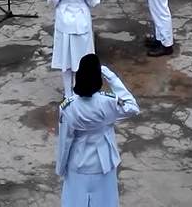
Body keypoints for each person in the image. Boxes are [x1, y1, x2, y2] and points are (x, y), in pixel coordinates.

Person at [55, 54, 140, 207]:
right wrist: (111, 76)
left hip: (78, 162)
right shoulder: (108, 102)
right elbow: (132, 107)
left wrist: (61, 168)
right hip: (104, 162)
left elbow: (65, 141)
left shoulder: (68, 107)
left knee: (75, 202)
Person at [48, 0, 107, 97]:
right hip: (82, 23)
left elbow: (52, 2)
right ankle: (79, 91)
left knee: (66, 62)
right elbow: (92, 2)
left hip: (64, 23)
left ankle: (68, 95)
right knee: (83, 60)